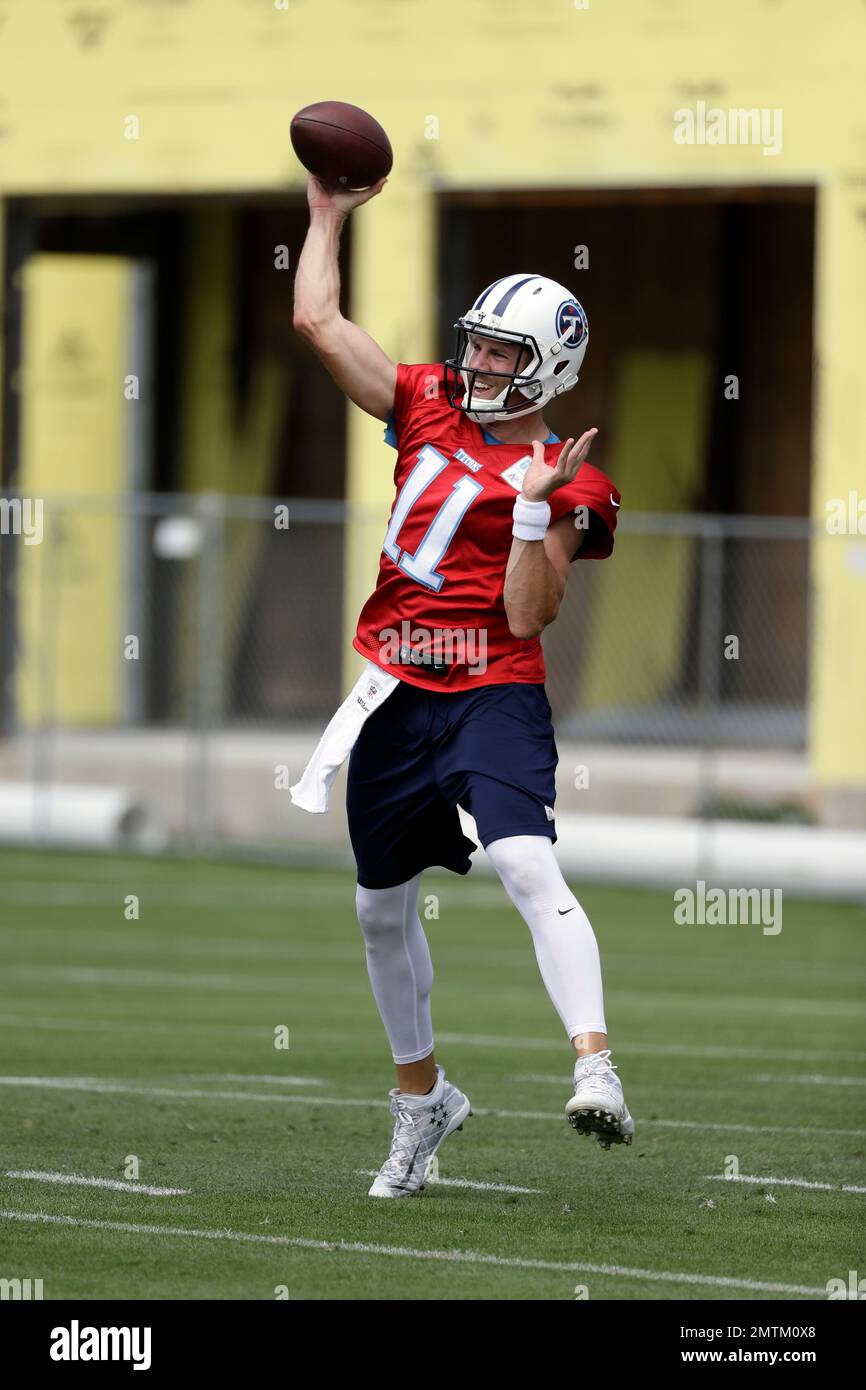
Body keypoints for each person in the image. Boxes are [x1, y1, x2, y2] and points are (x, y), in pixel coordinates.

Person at [291, 173, 633, 1198]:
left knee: (526, 863)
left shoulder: (568, 477)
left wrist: (530, 511)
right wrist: (324, 213)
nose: (477, 363)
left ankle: (593, 1065)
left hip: (492, 687)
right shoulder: (427, 403)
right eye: (475, 342)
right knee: (375, 911)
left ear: (549, 369)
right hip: (395, 688)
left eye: (501, 353)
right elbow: (316, 317)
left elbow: (530, 615)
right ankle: (421, 1100)